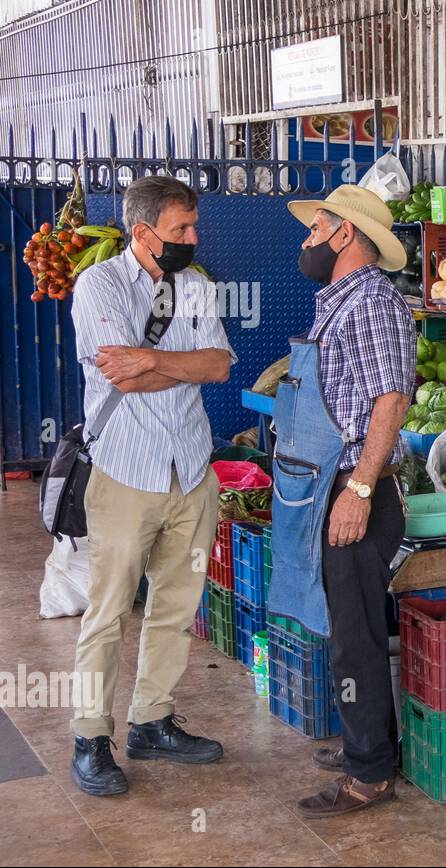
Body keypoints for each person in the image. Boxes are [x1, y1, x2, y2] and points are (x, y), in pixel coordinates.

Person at [69, 175, 235, 796]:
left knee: (175, 606)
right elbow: (122, 377)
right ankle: (90, 737)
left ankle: (152, 720)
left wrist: (151, 359)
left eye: (194, 227)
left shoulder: (194, 287)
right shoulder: (99, 286)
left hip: (189, 471)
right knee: (108, 612)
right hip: (125, 473)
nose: (192, 239)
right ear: (142, 234)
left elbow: (218, 364)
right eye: (180, 231)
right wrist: (166, 366)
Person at [270, 184, 414, 819]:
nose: (306, 241)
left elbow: (392, 398)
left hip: (356, 488)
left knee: (354, 634)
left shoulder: (375, 302)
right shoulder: (340, 302)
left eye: (315, 228)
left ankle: (370, 774)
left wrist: (358, 488)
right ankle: (370, 743)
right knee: (344, 624)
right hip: (330, 485)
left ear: (344, 235)